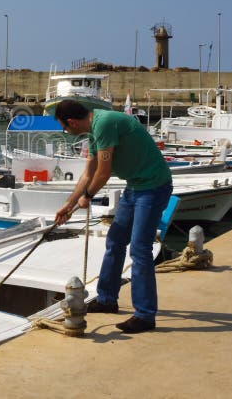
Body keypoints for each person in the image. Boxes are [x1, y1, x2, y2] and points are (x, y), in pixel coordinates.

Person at [53, 100, 172, 333]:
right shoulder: (93, 131)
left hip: (152, 187)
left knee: (139, 249)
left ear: (71, 122)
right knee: (115, 241)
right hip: (135, 187)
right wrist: (67, 205)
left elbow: (103, 173)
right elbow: (89, 173)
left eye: (64, 128)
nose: (66, 132)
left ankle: (145, 316)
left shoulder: (104, 124)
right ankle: (107, 299)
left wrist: (87, 196)